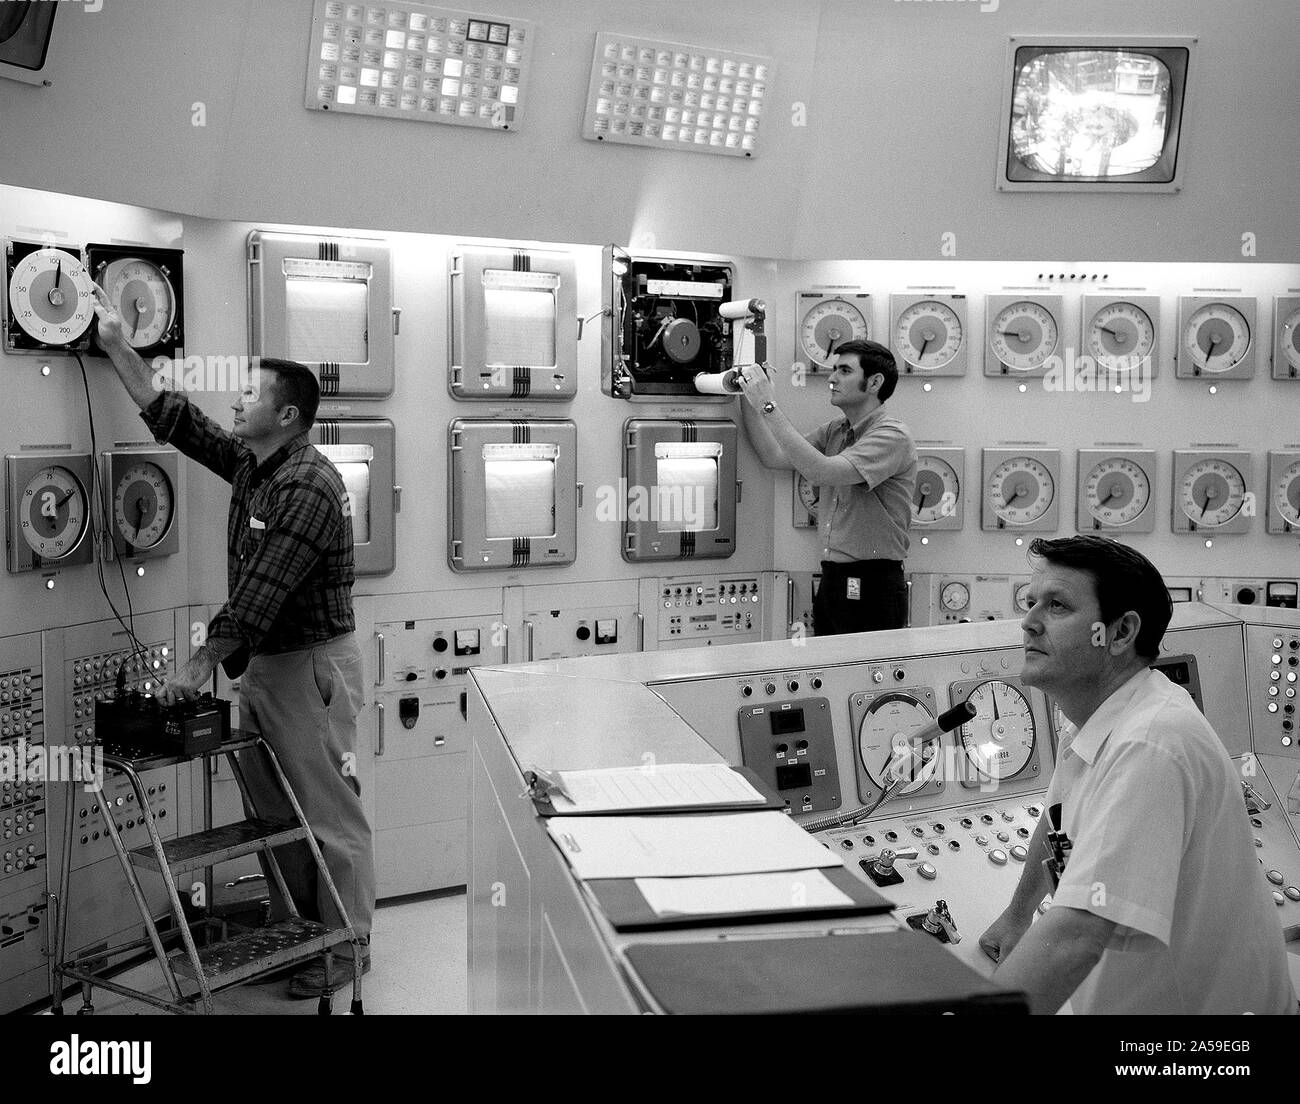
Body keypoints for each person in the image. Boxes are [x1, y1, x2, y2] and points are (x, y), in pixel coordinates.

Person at [92, 286, 375, 1000]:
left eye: (250, 395)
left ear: (286, 416)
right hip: (268, 670)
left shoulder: (308, 484)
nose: (236, 402)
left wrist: (194, 666)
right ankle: (301, 932)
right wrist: (118, 346)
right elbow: (178, 422)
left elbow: (260, 596)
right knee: (278, 818)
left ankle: (348, 947)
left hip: (308, 671)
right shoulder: (259, 466)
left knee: (327, 815)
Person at [980, 534, 1296, 1015]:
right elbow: (1058, 819)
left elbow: (1077, 936)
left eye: (1057, 606)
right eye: (1030, 603)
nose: (1028, 622)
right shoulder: (1100, 717)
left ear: (1122, 632)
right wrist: (1018, 915)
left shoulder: (1152, 743)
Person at [737, 338, 916, 635]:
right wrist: (747, 394)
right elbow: (775, 456)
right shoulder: (837, 429)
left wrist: (768, 406)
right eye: (834, 370)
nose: (832, 378)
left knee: (865, 679)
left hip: (874, 585)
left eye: (844, 371)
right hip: (834, 579)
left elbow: (821, 472)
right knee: (830, 677)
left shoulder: (892, 436)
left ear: (874, 382)